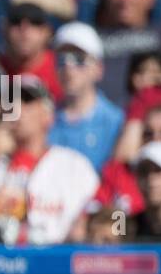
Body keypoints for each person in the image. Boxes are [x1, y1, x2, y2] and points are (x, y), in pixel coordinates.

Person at [0, 76, 100, 245]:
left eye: (26, 100)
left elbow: (93, 220)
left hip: (56, 263)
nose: (16, 108)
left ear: (48, 115)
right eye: (10, 102)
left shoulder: (74, 166)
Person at [48, 22, 124, 173]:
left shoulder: (117, 122)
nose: (69, 68)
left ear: (99, 69)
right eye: (61, 60)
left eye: (79, 59)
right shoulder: (44, 119)